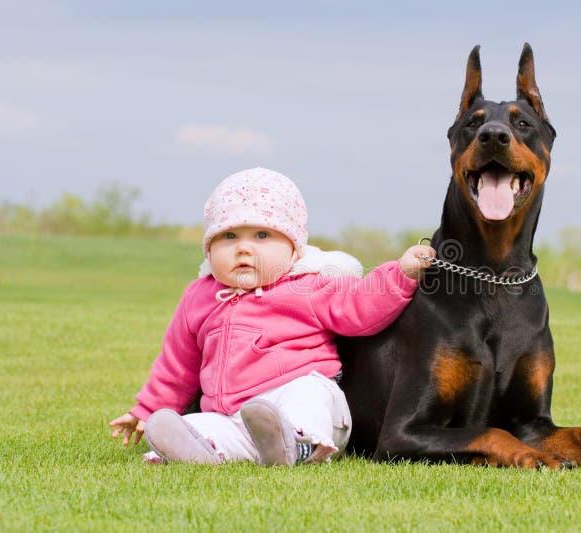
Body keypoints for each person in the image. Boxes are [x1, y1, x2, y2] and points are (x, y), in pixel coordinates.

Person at [109, 167, 435, 465]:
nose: (244, 249)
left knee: (308, 392)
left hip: (305, 403)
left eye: (262, 236)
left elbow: (359, 306)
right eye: (229, 236)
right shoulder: (199, 297)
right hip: (233, 414)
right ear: (208, 250)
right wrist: (149, 408)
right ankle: (193, 448)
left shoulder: (307, 287)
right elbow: (177, 365)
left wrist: (401, 273)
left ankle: (301, 444)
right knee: (200, 423)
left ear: (293, 249)